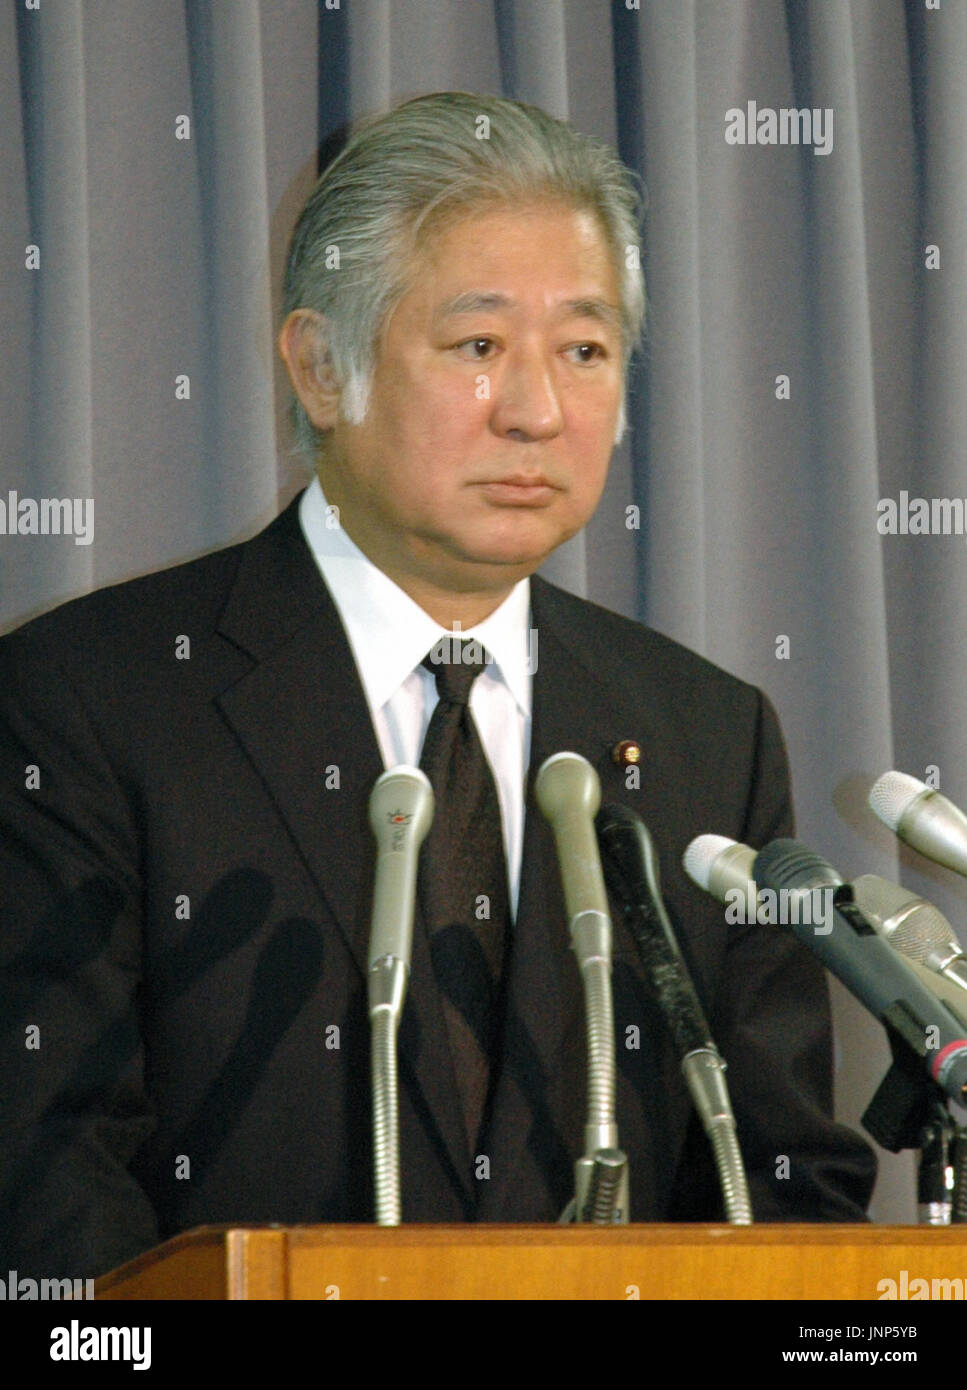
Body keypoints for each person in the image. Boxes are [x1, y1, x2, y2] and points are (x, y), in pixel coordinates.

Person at [0, 92, 875, 1283]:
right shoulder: (88, 699)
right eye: (478, 346)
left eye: (584, 349)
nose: (538, 411)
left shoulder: (704, 734)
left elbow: (779, 1182)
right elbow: (47, 1166)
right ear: (321, 367)